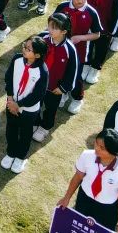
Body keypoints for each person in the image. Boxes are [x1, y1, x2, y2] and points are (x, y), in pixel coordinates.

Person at [57, 128, 118, 232]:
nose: (96, 148)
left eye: (102, 148)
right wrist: (66, 198)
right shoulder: (87, 155)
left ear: (113, 152)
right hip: (84, 199)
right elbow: (78, 177)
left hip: (107, 209)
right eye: (96, 143)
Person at [2, 35, 48, 174]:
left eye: (28, 49)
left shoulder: (42, 71)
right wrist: (10, 99)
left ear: (38, 55)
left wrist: (18, 105)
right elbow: (8, 78)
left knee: (25, 134)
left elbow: (37, 95)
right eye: (25, 46)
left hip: (28, 110)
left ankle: (20, 157)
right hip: (11, 103)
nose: (24, 50)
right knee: (11, 129)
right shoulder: (17, 59)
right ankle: (11, 152)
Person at [32, 13, 80, 144]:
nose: (50, 30)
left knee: (50, 108)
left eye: (54, 28)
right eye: (49, 26)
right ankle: (35, 122)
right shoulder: (42, 39)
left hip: (54, 88)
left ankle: (45, 127)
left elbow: (73, 71)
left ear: (64, 31)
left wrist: (64, 88)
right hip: (37, 83)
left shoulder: (70, 49)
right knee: (35, 103)